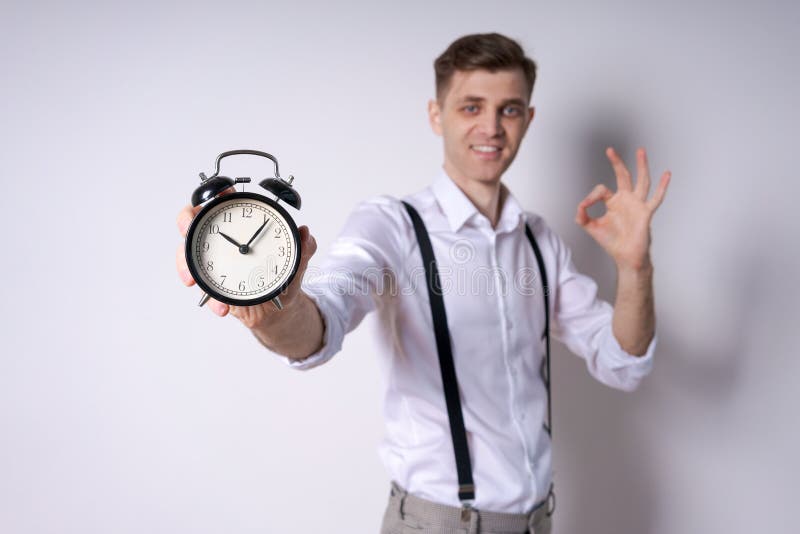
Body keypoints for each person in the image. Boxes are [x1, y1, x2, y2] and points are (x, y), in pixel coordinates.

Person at [176, 32, 670, 534]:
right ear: (436, 115)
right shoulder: (389, 225)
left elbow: (622, 360)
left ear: (528, 119)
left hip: (539, 522)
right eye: (471, 106)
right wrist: (276, 308)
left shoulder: (539, 240)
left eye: (510, 109)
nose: (491, 127)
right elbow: (319, 325)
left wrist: (636, 268)